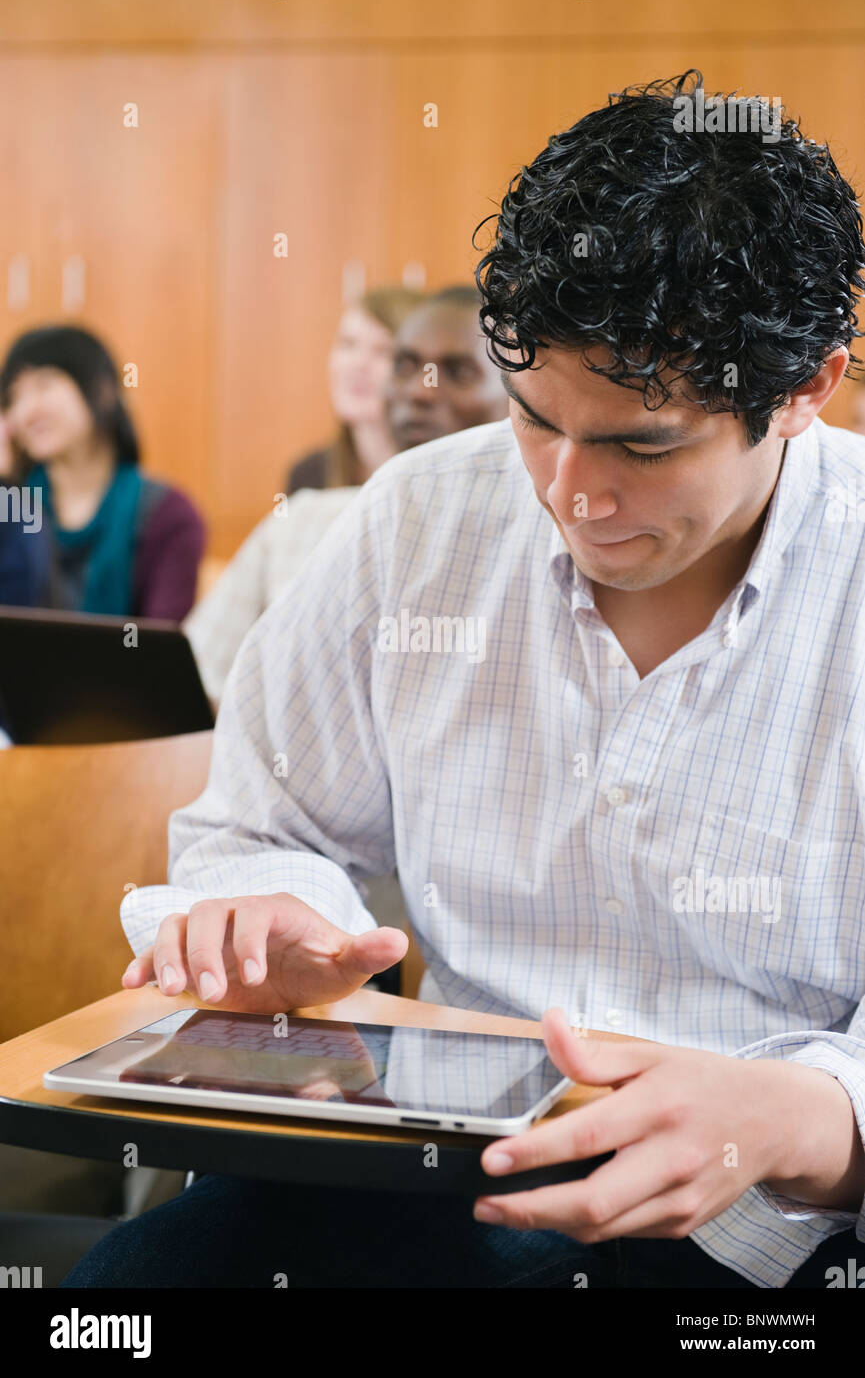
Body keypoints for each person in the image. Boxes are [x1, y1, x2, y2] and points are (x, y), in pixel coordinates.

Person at [65, 70, 865, 1289]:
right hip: (433, 1175)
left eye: (642, 445)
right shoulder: (419, 523)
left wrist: (808, 1118)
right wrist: (285, 916)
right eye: (537, 418)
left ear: (806, 386)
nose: (569, 495)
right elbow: (259, 825)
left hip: (765, 1228)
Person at [184, 286, 508, 704]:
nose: (421, 390)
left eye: (458, 372)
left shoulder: (540, 542)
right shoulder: (304, 518)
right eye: (405, 366)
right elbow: (197, 672)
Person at [0, 326, 205, 620]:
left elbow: (160, 650)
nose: (25, 412)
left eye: (43, 385)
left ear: (102, 389)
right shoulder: (10, 509)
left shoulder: (168, 515)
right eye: (13, 396)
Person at [285, 286, 424, 493]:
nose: (358, 364)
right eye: (348, 344)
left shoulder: (433, 472)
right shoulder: (310, 474)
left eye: (383, 350)